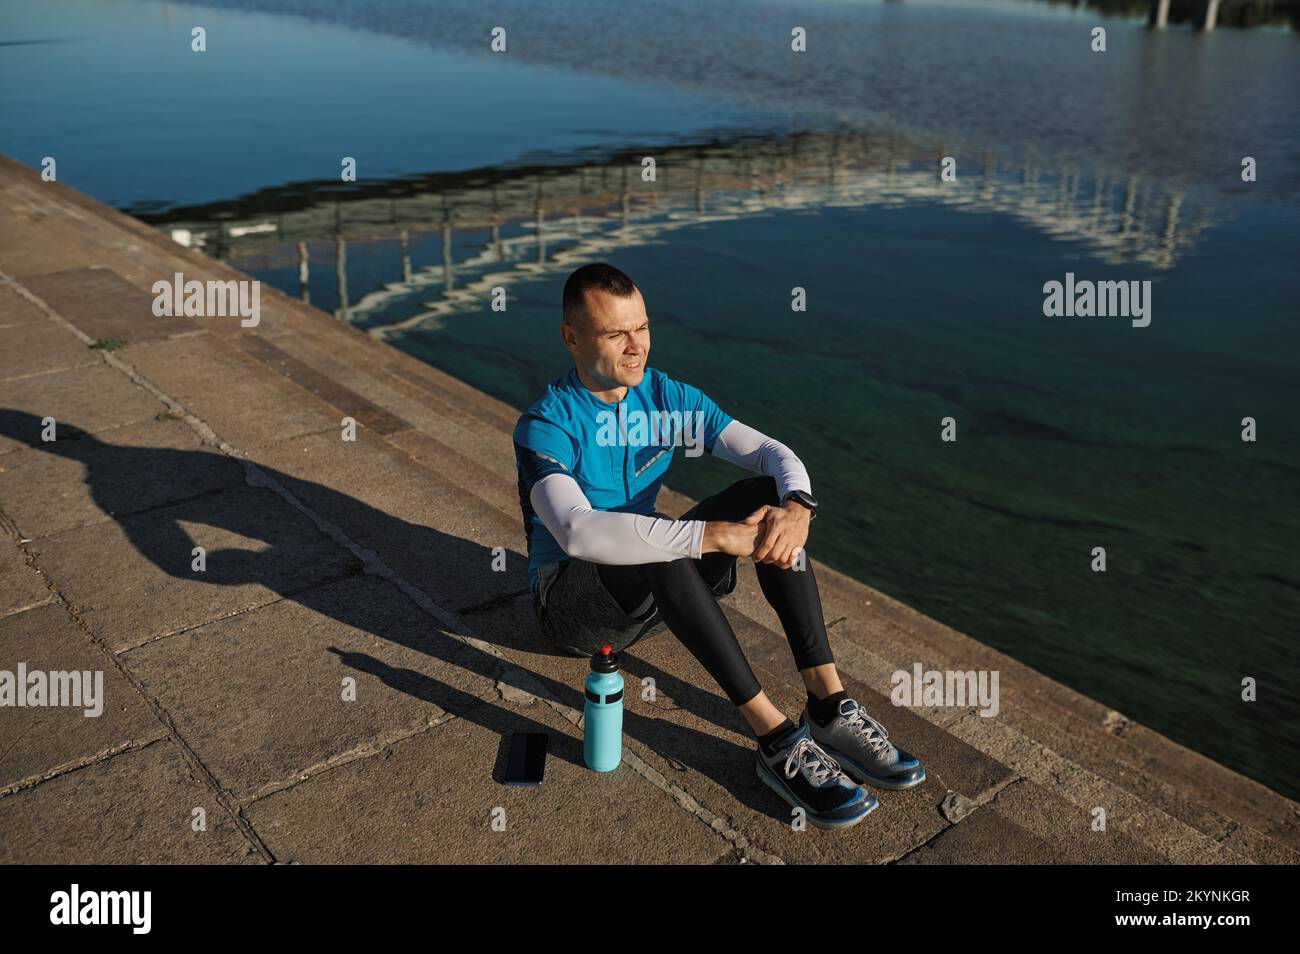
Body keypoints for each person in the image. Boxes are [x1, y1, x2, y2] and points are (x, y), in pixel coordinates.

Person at [513, 262, 924, 829]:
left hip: (662, 592)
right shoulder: (546, 423)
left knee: (766, 496)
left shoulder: (663, 396)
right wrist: (714, 535)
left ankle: (827, 704)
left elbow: (771, 453)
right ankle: (777, 740)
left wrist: (799, 508)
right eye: (615, 334)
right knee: (663, 544)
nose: (636, 348)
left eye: (643, 328)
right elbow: (578, 531)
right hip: (575, 611)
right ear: (571, 337)